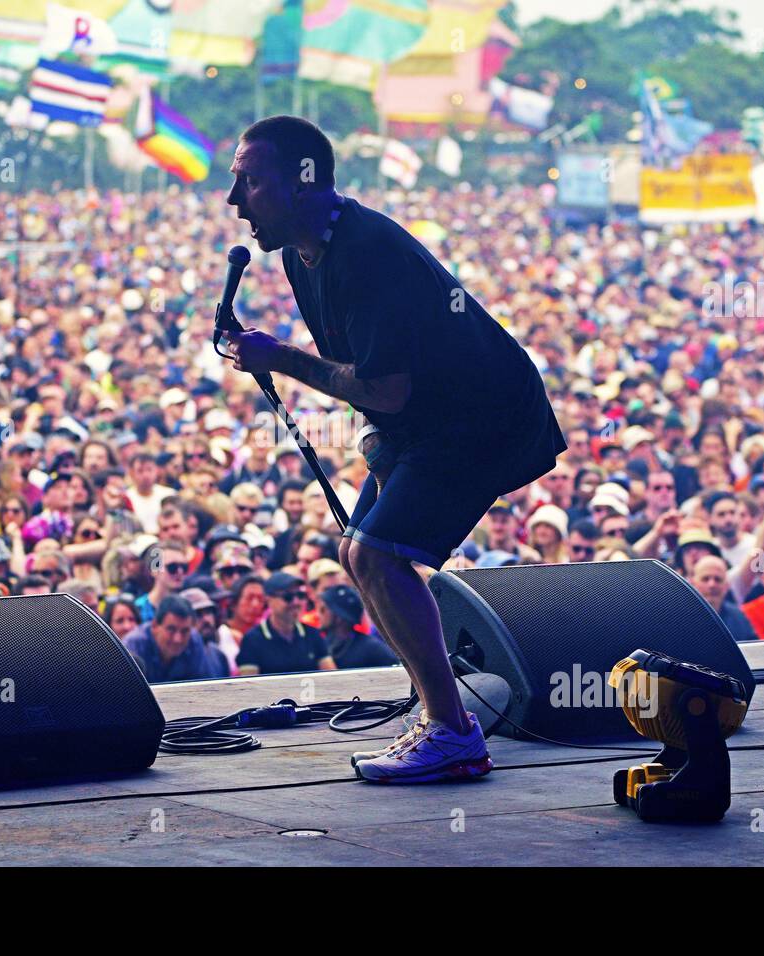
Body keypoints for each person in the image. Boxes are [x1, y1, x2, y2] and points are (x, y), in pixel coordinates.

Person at [224, 116, 564, 782]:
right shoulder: (303, 254)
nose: (236, 202)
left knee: (378, 557)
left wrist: (282, 358)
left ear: (302, 184)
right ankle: (444, 720)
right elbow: (363, 373)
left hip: (482, 419)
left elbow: (385, 385)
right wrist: (378, 439)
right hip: (426, 420)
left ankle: (453, 733)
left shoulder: (368, 253)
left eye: (250, 182)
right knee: (356, 552)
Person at [235, 571, 335, 676]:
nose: (296, 602)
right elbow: (248, 687)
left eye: (300, 595)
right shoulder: (252, 640)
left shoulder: (313, 634)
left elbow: (331, 677)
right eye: (288, 597)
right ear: (269, 600)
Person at [123, 594, 229, 683]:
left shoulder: (195, 640)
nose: (178, 639)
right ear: (155, 625)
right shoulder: (133, 646)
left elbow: (200, 688)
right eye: (171, 629)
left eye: (185, 631)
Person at [317, 584, 398, 668]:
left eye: (323, 610)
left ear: (339, 617)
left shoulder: (372, 649)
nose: (318, 615)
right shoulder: (321, 644)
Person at [689, 555, 757, 643]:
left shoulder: (739, 617)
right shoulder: (679, 617)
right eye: (705, 579)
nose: (712, 585)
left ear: (727, 585)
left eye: (718, 579)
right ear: (692, 583)